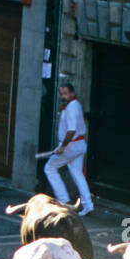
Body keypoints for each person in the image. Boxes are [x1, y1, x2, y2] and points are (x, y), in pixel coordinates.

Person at [44, 82, 93, 215]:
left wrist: (63, 146)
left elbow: (71, 130)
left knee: (50, 168)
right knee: (78, 174)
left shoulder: (71, 107)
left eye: (65, 94)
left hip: (71, 146)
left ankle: (63, 200)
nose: (63, 96)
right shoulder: (74, 105)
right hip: (79, 145)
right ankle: (88, 204)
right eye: (61, 94)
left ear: (72, 93)